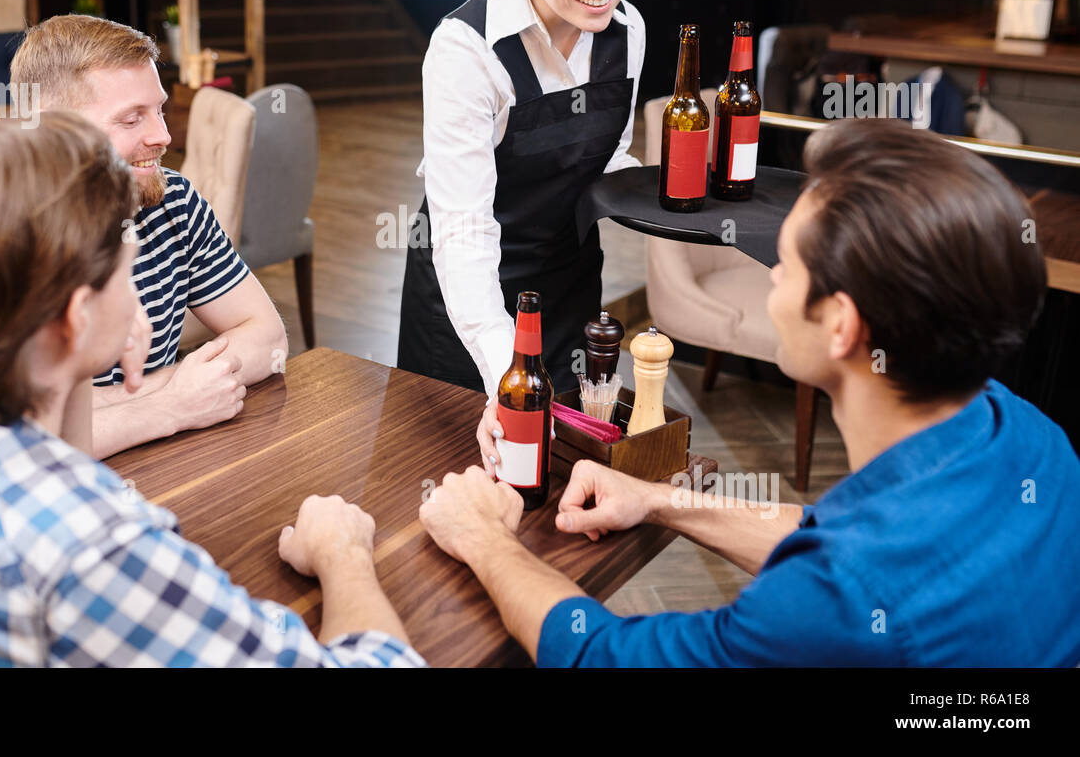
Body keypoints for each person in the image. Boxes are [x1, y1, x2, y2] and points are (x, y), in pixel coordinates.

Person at [418, 118, 1080, 666]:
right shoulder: (1034, 440)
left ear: (842, 324)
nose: (771, 283)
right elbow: (840, 539)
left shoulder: (828, 606)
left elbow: (604, 656)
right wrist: (659, 501)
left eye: (785, 264)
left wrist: (485, 540)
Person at [0, 114, 423, 667]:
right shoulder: (91, 548)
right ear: (74, 314)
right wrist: (343, 555)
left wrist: (79, 356)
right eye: (127, 262)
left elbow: (54, 456)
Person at [395, 0, 648, 479]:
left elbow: (603, 155)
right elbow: (463, 230)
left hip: (569, 283)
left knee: (561, 475)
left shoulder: (629, 30)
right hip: (470, 305)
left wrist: (668, 195)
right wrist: (509, 364)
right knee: (455, 484)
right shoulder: (467, 49)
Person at [10, 15, 288, 460]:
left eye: (158, 109)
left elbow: (269, 340)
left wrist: (139, 406)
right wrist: (170, 404)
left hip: (161, 464)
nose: (164, 136)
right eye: (131, 119)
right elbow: (20, 438)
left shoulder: (173, 200)